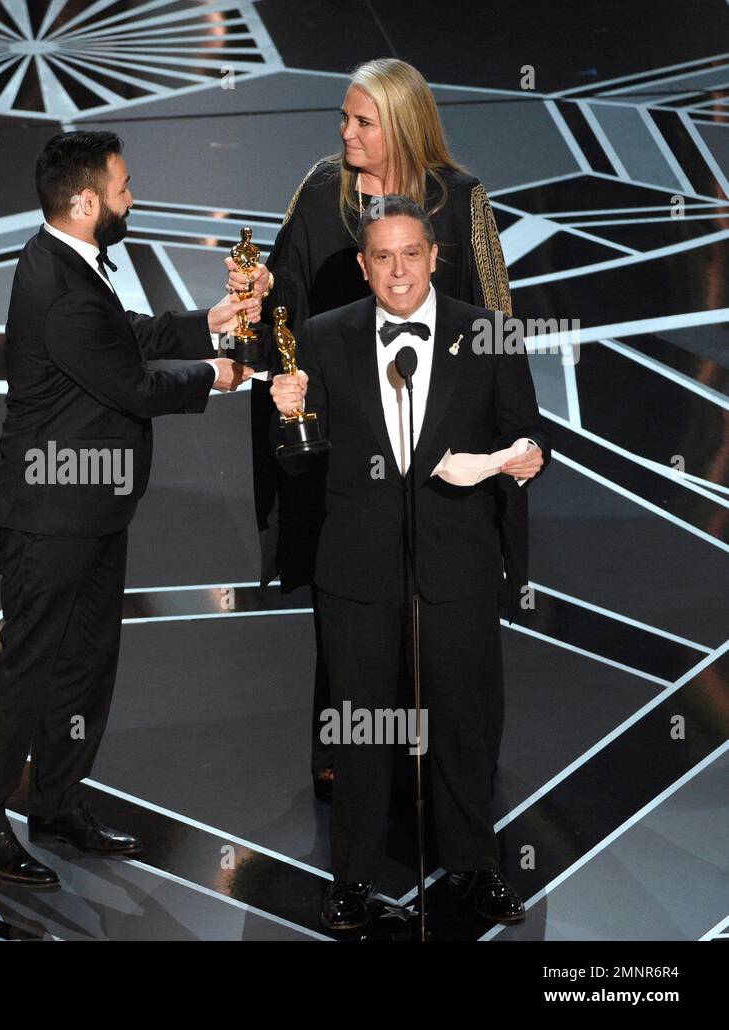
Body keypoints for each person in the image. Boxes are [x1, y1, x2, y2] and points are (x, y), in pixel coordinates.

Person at [0, 131, 256, 888]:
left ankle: (57, 803)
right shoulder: (60, 292)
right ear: (86, 202)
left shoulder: (71, 263)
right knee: (27, 670)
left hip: (91, 511)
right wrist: (216, 377)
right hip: (49, 517)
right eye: (123, 187)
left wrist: (208, 321)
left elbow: (126, 337)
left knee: (84, 667)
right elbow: (136, 386)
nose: (132, 197)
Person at [233, 57, 517, 800]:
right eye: (345, 118)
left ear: (400, 125)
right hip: (349, 442)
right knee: (352, 607)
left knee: (445, 615)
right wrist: (260, 299)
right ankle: (346, 750)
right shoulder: (322, 188)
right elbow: (284, 298)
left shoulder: (461, 200)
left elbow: (497, 321)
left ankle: (455, 755)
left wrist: (495, 444)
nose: (346, 132)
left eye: (363, 121)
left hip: (441, 445)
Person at [269, 196, 547, 930]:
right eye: (383, 257)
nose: (399, 271)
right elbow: (301, 467)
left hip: (456, 563)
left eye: (412, 254)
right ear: (363, 266)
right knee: (363, 728)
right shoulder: (324, 338)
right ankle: (351, 879)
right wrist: (289, 412)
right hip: (357, 569)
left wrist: (495, 463)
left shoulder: (486, 334)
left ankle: (475, 867)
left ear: (434, 256)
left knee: (462, 722)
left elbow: (531, 445)